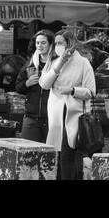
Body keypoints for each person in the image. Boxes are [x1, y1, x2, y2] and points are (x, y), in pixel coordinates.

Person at [40, 28, 96, 180]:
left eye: (60, 43)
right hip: (55, 116)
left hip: (74, 115)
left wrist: (72, 90)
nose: (57, 46)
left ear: (69, 44)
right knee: (56, 155)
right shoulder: (54, 62)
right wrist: (60, 64)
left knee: (68, 156)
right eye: (56, 43)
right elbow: (44, 84)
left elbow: (91, 92)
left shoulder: (83, 63)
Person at [16, 31, 55, 143]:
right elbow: (18, 87)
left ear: (50, 44)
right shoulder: (31, 64)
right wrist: (27, 83)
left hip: (51, 117)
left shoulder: (56, 63)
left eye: (43, 43)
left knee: (51, 153)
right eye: (37, 43)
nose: (40, 46)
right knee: (27, 151)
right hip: (31, 117)